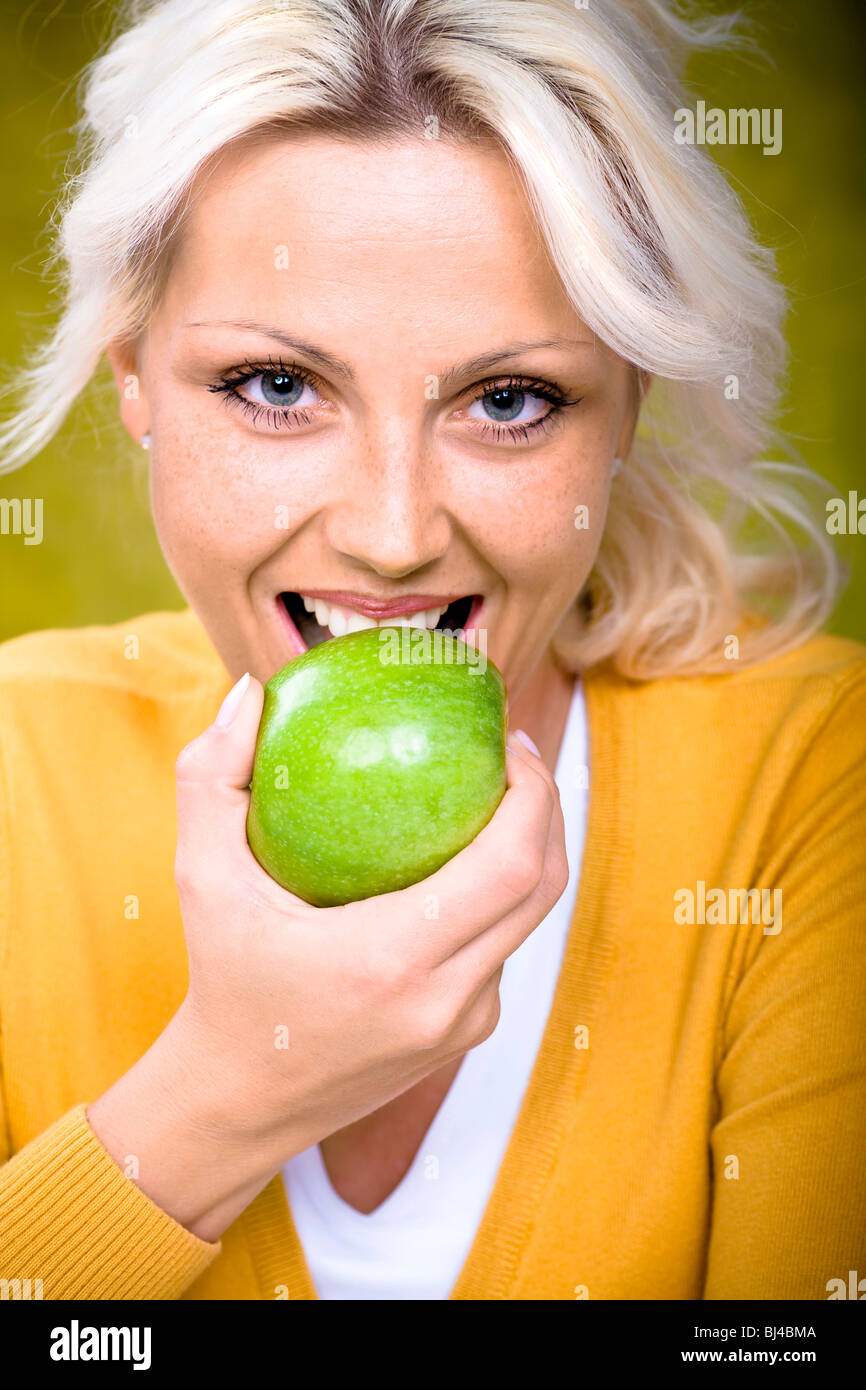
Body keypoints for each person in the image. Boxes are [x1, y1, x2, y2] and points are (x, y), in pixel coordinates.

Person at [0, 0, 863, 1301]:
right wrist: (226, 1090)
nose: (394, 535)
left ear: (626, 398)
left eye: (507, 400)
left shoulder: (810, 782)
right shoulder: (19, 772)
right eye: (277, 387)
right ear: (132, 378)